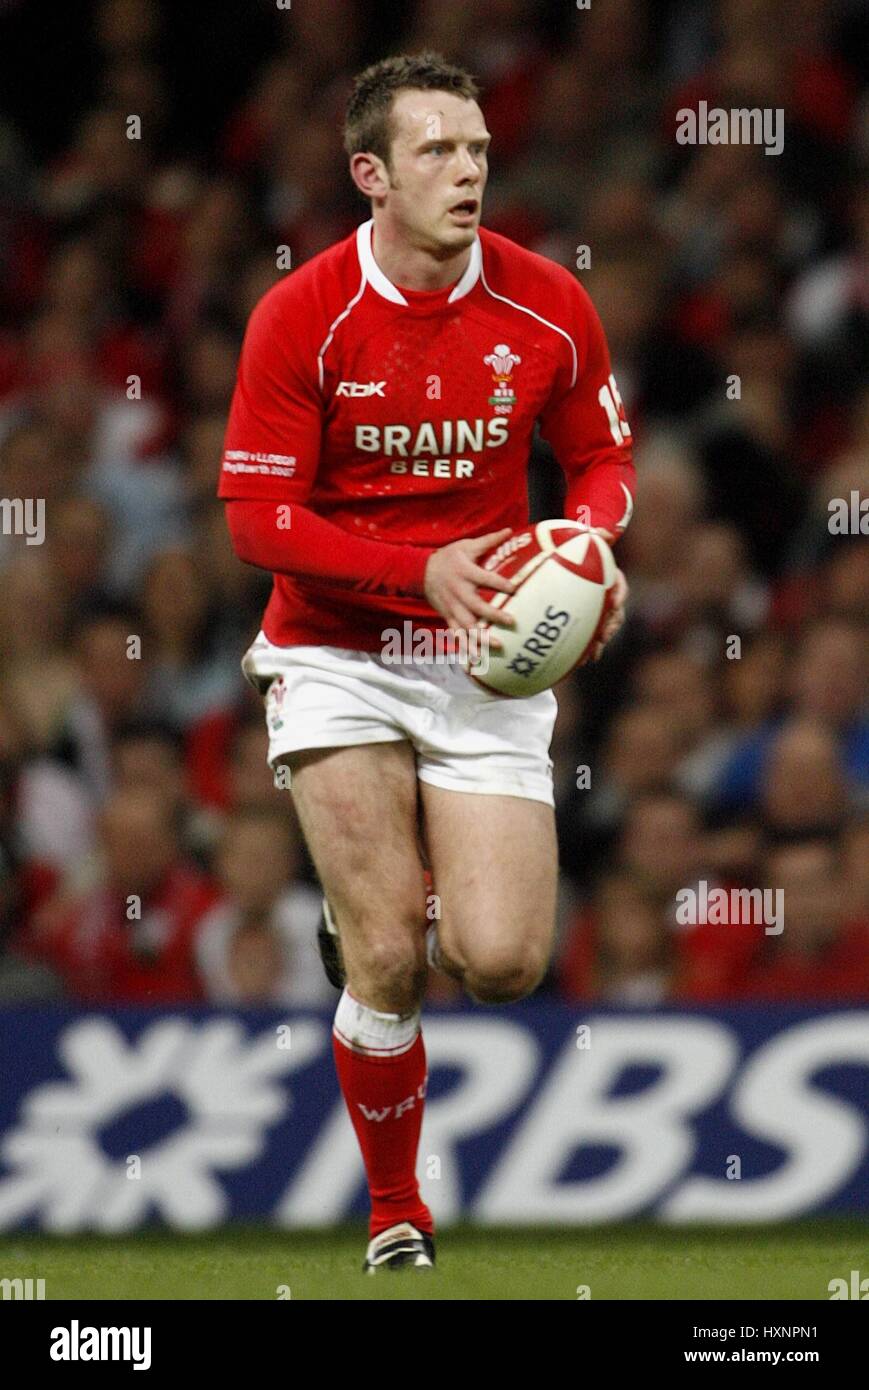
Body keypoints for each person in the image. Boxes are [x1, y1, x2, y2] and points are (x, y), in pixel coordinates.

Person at [220, 53, 633, 1274]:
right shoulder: (302, 315)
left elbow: (601, 459)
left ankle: (392, 911)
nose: (467, 170)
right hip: (336, 650)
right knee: (393, 949)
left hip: (487, 659)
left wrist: (585, 545)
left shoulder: (546, 301)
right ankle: (395, 1206)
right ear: (371, 175)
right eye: (437, 151)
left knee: (499, 963)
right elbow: (257, 523)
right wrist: (418, 575)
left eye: (477, 149)